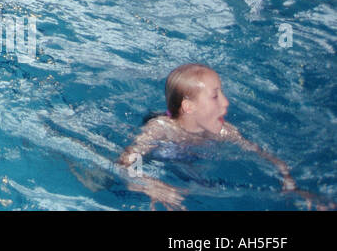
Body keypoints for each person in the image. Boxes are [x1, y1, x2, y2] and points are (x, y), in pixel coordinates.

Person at [117, 65, 307, 210]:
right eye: (216, 96)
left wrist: (289, 182)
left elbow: (264, 156)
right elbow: (124, 163)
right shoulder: (160, 128)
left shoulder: (225, 132)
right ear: (189, 107)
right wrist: (149, 184)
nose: (226, 102)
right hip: (159, 158)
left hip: (188, 166)